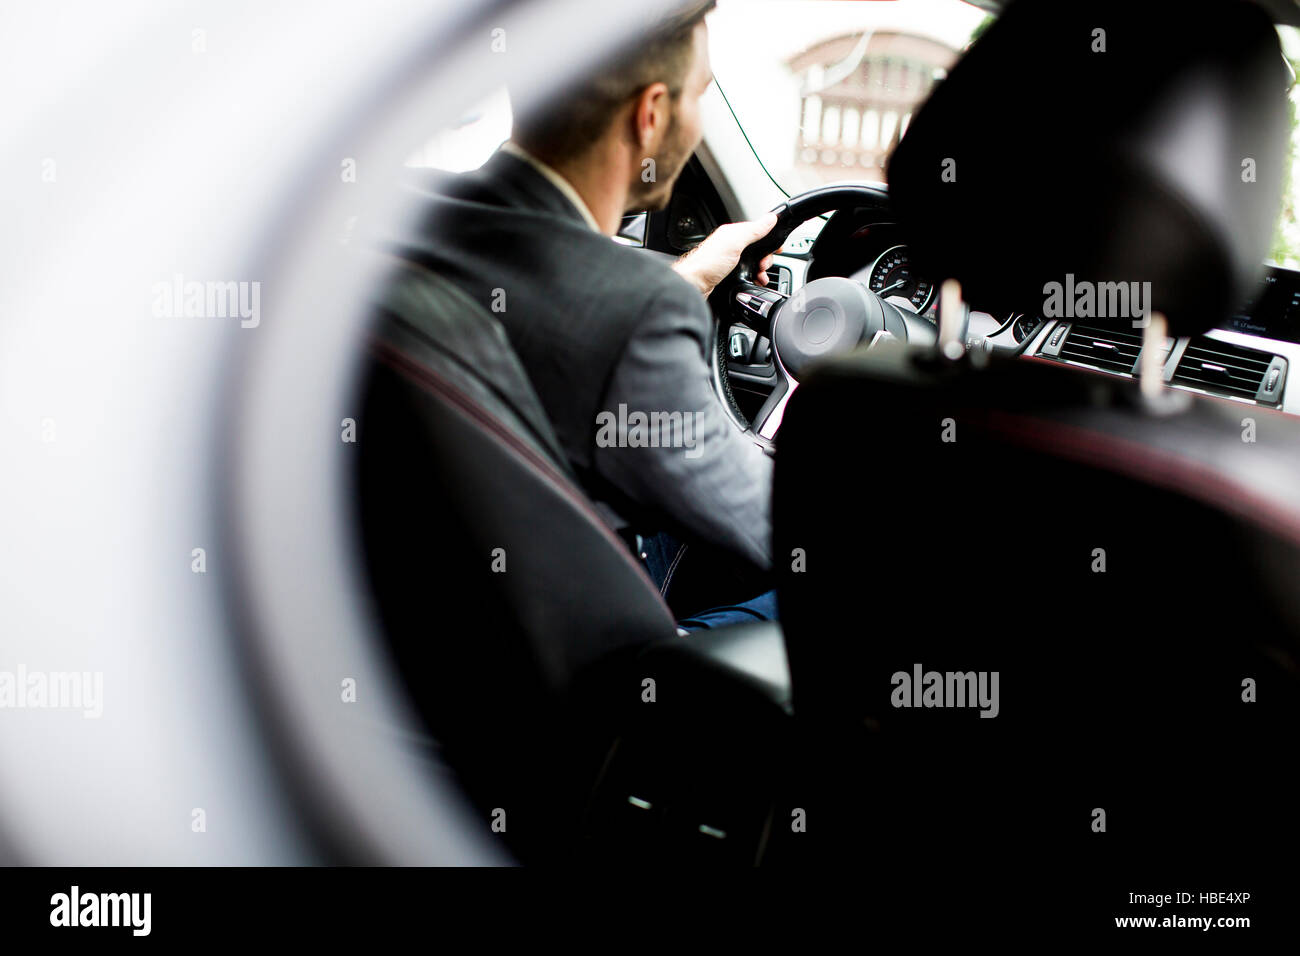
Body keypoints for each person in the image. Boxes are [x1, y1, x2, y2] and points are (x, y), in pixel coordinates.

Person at [393, 0, 778, 628]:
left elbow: (558, 311)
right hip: (588, 694)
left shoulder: (407, 215)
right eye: (699, 95)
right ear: (651, 115)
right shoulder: (637, 317)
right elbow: (775, 529)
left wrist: (695, 273)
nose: (700, 121)